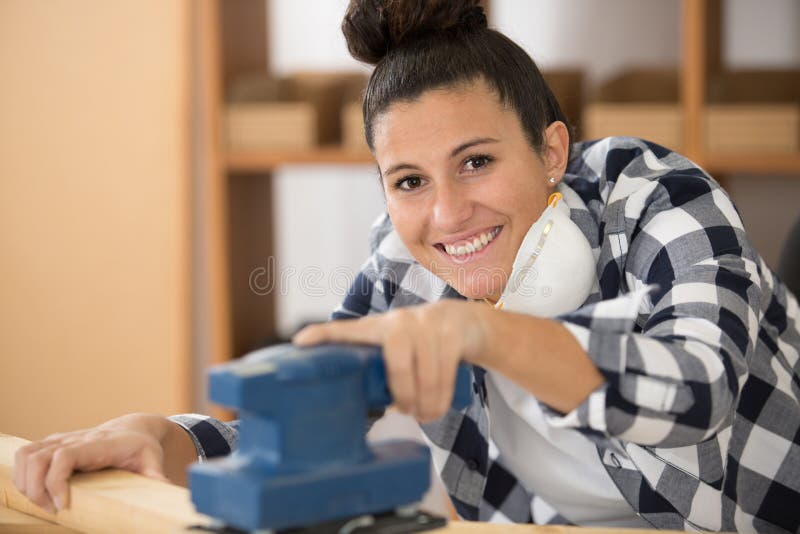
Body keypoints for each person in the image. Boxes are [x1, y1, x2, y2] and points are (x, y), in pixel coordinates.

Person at [13, 1, 800, 531]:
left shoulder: (659, 195)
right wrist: (163, 436)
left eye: (478, 161)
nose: (447, 215)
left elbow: (701, 389)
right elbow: (306, 419)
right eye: (409, 181)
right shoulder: (405, 265)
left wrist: (480, 335)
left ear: (551, 150)